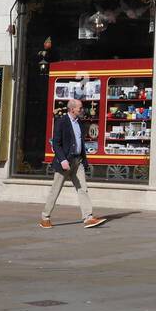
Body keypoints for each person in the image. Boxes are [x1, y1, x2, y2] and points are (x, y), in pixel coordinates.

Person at [41, 98, 108, 229]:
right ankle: (45, 217)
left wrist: (84, 159)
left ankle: (88, 217)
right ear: (72, 109)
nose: (82, 110)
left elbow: (80, 144)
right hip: (64, 162)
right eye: (80, 108)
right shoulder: (61, 122)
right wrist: (63, 160)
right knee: (56, 190)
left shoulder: (80, 123)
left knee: (83, 189)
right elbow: (56, 143)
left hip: (78, 162)